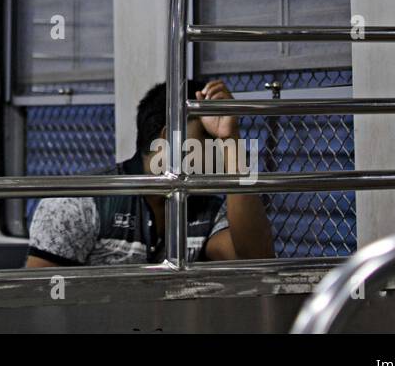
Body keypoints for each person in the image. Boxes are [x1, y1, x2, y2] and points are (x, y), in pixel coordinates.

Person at [25, 80, 274, 267]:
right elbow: (41, 302)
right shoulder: (79, 202)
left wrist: (231, 138)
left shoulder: (207, 208)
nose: (217, 150)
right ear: (168, 138)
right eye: (209, 138)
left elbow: (256, 261)